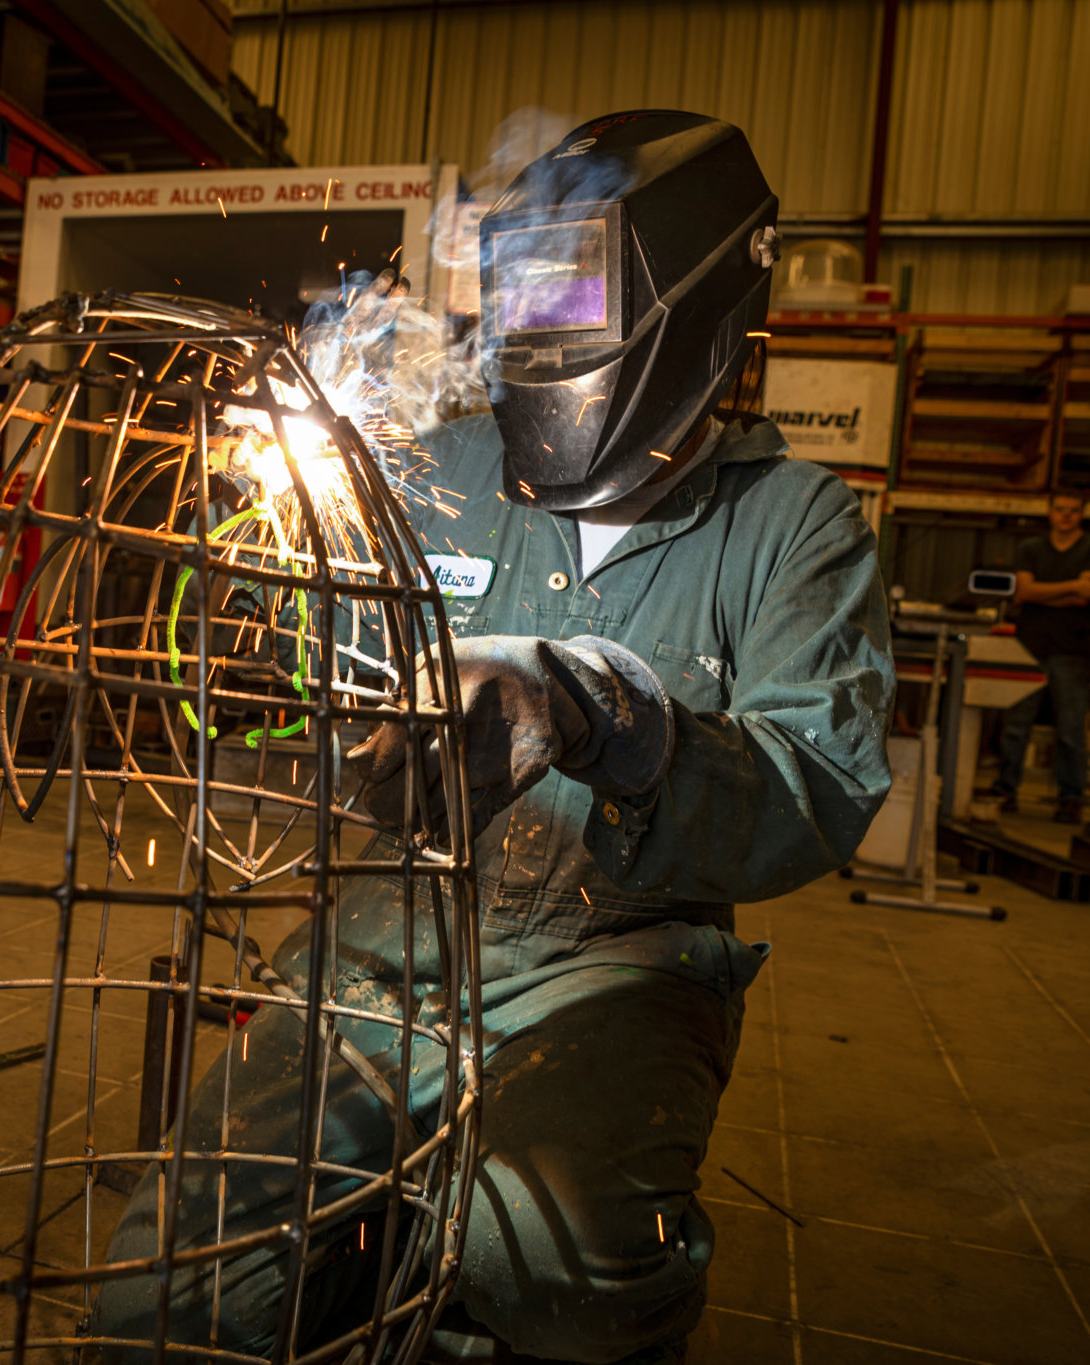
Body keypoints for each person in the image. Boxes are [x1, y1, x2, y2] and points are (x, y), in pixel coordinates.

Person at [95, 113, 894, 1365]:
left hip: (615, 959)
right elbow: (304, 639)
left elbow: (821, 779)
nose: (542, 329)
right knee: (181, 1276)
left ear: (691, 306)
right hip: (384, 940)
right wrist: (249, 546)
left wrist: (599, 713)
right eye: (525, 291)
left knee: (549, 1270)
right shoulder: (442, 466)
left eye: (573, 289)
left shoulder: (792, 523)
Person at [989, 491, 1090, 822]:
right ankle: (1006, 790)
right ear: (1049, 511)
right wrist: (1069, 589)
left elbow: (1087, 596)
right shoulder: (1031, 549)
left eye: (1073, 510)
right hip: (1029, 647)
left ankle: (1071, 797)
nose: (1066, 516)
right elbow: (1023, 591)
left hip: (1072, 651)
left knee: (1071, 729)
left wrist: (1043, 593)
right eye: (1060, 509)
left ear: (1082, 513)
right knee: (1016, 726)